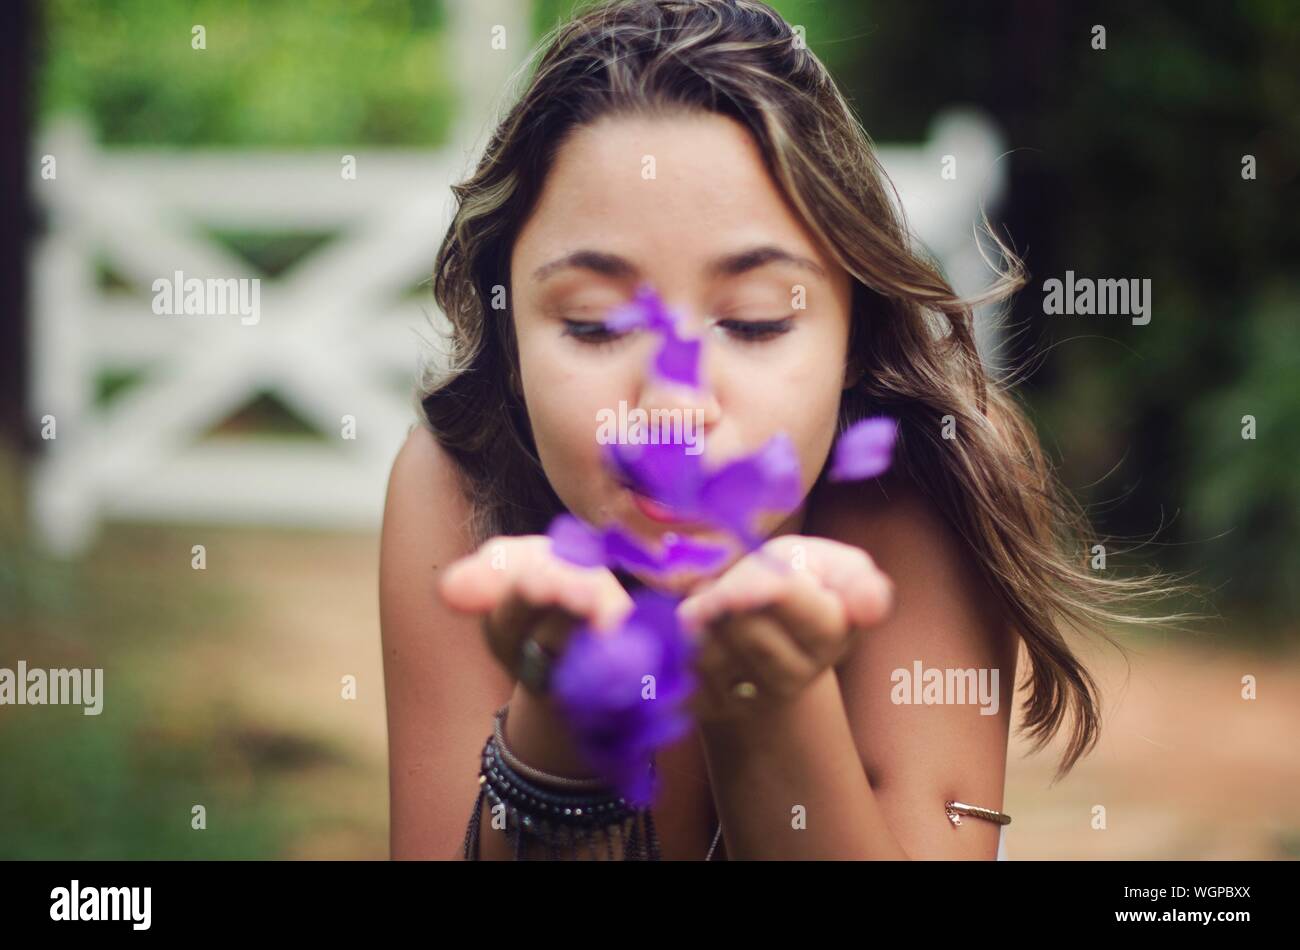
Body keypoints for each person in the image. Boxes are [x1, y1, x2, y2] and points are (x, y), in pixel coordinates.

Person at [379, 0, 1166, 860]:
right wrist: (562, 727)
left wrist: (769, 700)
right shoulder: (458, 481)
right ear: (510, 331)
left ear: (855, 336)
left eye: (754, 323)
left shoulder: (929, 475)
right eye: (597, 325)